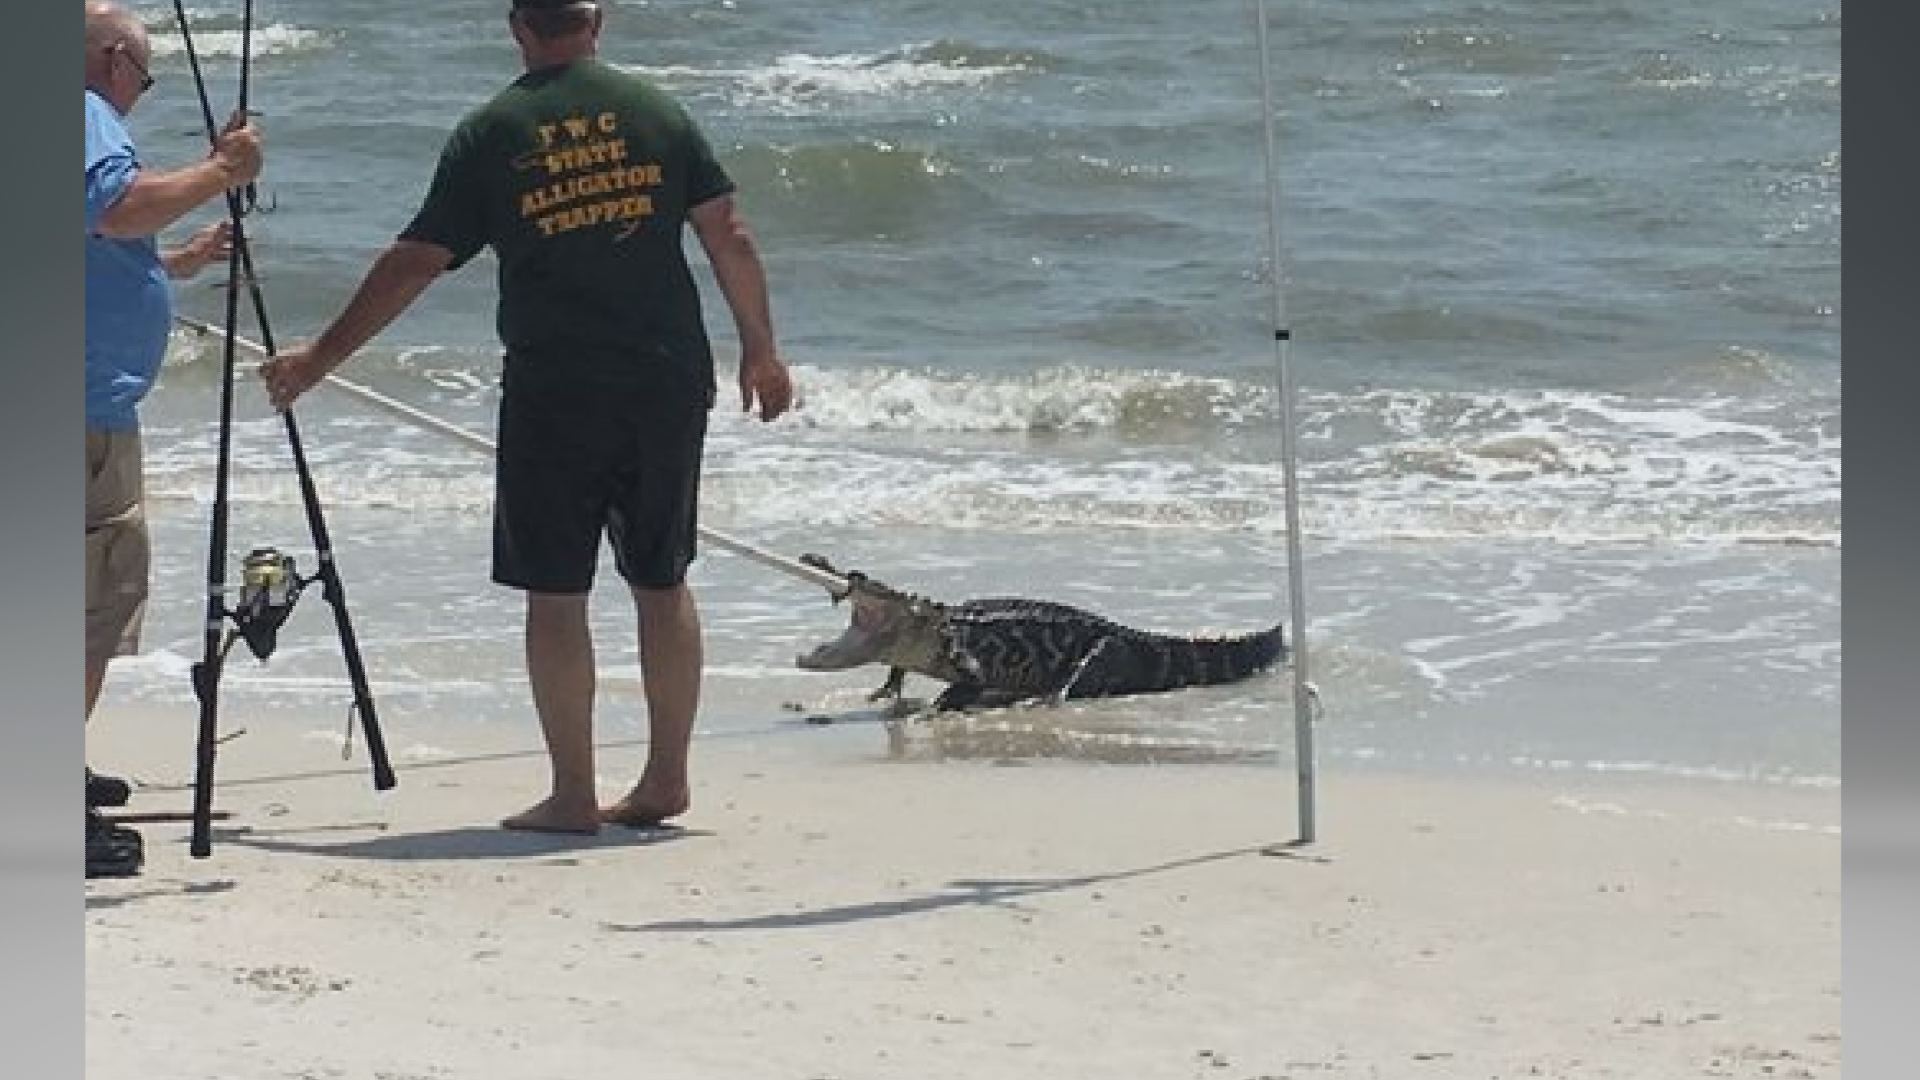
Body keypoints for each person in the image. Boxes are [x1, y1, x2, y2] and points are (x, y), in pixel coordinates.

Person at [262, 0, 793, 835]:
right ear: (598, 22)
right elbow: (731, 232)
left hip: (558, 387)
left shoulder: (494, 130)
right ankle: (666, 779)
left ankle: (574, 794)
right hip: (666, 376)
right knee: (661, 577)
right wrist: (761, 349)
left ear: (518, 28)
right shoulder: (657, 110)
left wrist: (319, 358)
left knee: (556, 589)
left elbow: (415, 262)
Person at [85, 1, 265, 875]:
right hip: (80, 411)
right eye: (143, 79)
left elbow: (91, 239)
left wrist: (178, 261)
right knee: (88, 605)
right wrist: (219, 168)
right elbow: (116, 207)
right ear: (115, 59)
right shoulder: (80, 112)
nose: (137, 95)